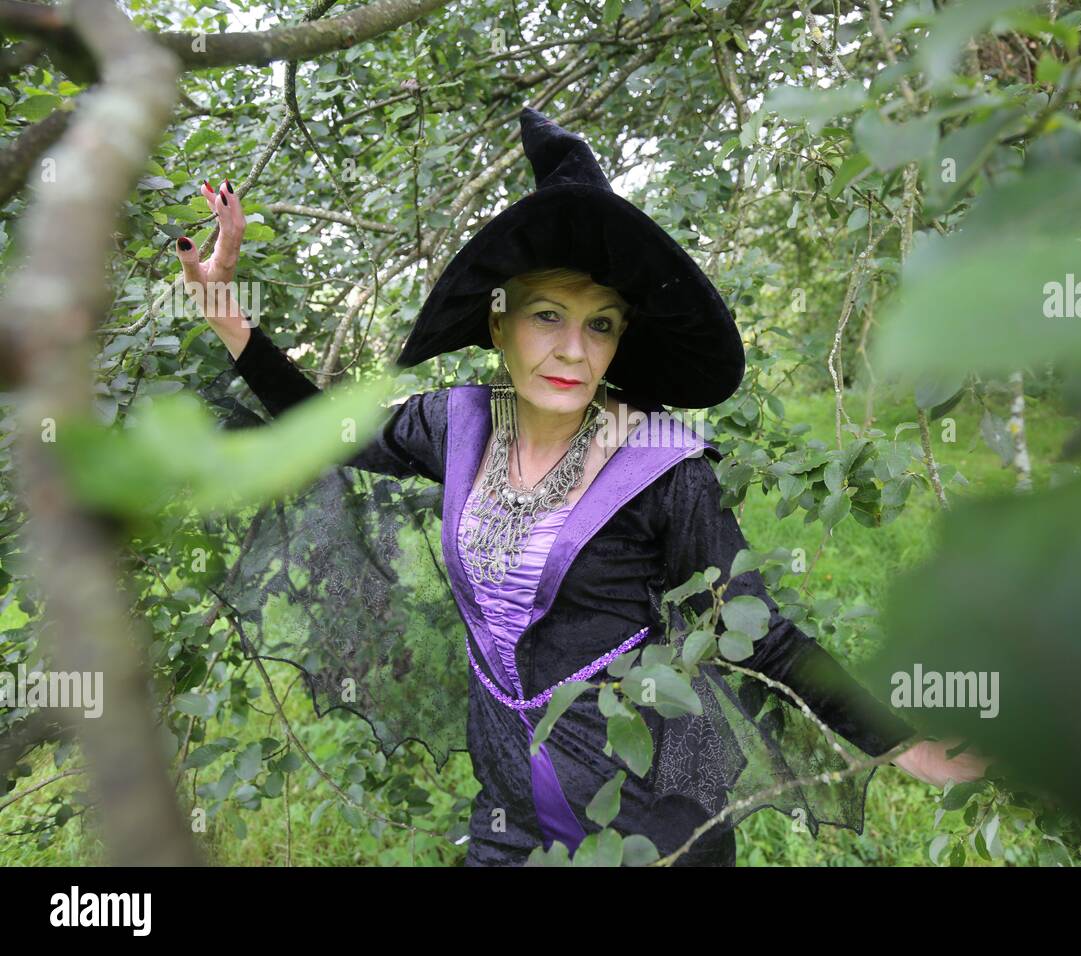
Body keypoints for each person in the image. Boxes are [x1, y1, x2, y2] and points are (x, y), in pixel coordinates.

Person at [176, 107, 987, 866]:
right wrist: (227, 316)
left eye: (600, 322)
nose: (573, 349)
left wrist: (907, 742)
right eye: (546, 316)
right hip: (508, 811)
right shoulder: (454, 424)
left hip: (656, 814)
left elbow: (762, 637)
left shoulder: (665, 470)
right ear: (497, 323)